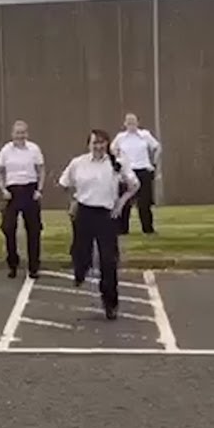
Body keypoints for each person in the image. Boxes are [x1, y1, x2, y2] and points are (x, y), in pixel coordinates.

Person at [58, 130, 140, 320]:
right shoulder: (78, 163)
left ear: (107, 144)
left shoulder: (116, 164)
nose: (98, 147)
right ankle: (80, 270)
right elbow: (64, 184)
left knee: (108, 260)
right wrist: (73, 201)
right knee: (81, 252)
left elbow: (134, 185)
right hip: (84, 212)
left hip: (106, 214)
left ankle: (110, 303)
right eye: (95, 143)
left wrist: (121, 203)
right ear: (89, 145)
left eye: (102, 143)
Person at [0, 120, 45, 279]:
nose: (20, 136)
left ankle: (34, 267)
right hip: (12, 191)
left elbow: (41, 169)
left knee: (34, 230)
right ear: (12, 134)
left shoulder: (34, 149)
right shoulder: (6, 150)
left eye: (23, 132)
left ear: (27, 134)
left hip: (30, 189)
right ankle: (13, 263)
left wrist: (39, 190)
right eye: (17, 133)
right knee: (8, 227)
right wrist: (3, 189)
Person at [111, 113, 161, 235]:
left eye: (133, 122)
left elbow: (157, 147)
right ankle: (122, 229)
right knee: (124, 202)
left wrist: (154, 163)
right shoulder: (120, 137)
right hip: (127, 172)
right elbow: (112, 149)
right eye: (128, 122)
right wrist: (119, 161)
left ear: (137, 123)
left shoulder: (145, 135)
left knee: (144, 202)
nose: (131, 125)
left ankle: (147, 229)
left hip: (143, 170)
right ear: (125, 124)